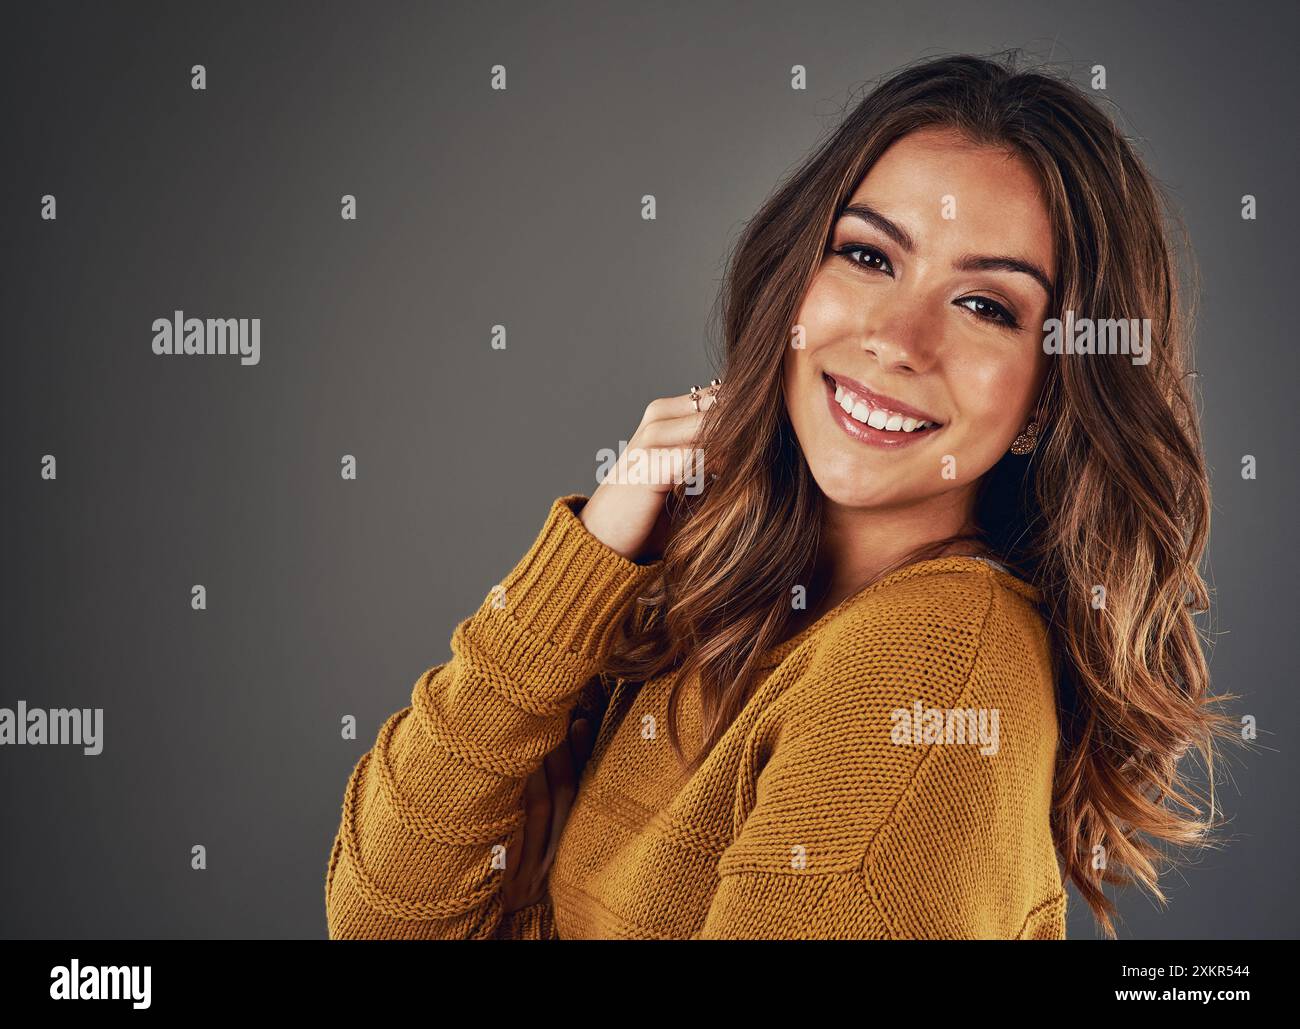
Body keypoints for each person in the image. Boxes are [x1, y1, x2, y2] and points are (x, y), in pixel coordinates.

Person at [324, 52, 1236, 940]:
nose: (897, 338)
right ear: (796, 280)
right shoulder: (709, 591)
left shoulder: (932, 666)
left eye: (987, 306)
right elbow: (382, 916)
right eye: (870, 257)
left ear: (1049, 395)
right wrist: (589, 565)